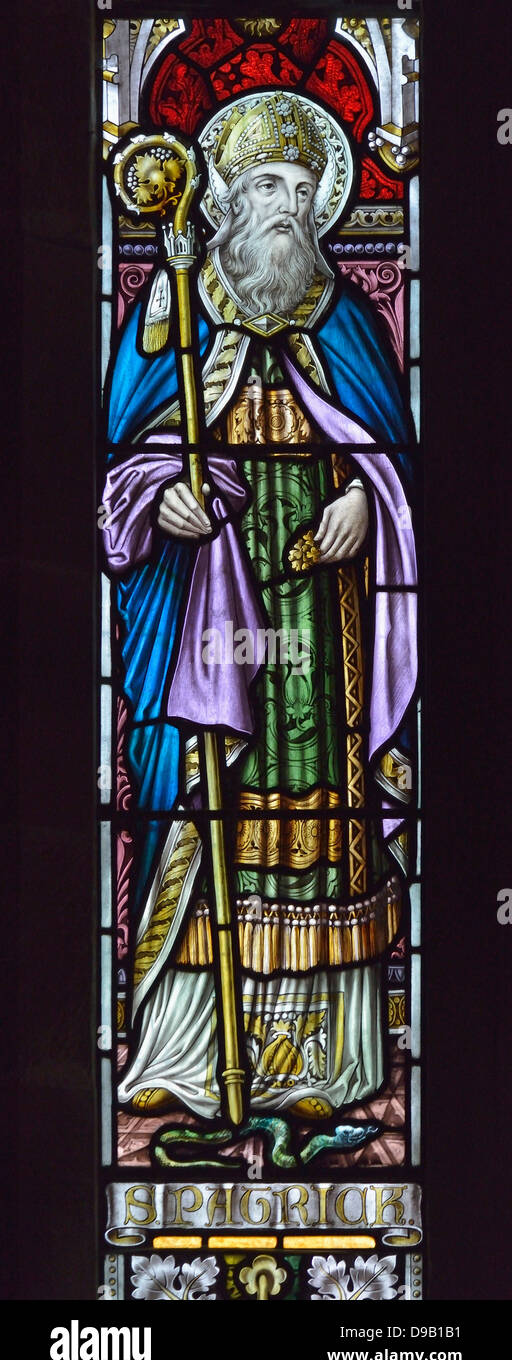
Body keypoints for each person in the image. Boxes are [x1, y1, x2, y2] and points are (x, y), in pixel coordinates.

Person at [103, 92, 417, 1126]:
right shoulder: (174, 320)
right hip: (209, 620)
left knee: (324, 823)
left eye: (300, 189)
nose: (288, 207)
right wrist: (163, 494)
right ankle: (190, 1049)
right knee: (202, 813)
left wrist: (363, 501)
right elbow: (113, 463)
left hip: (321, 632)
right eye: (265, 187)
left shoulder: (347, 323)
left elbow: (397, 469)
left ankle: (321, 1063)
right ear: (226, 201)